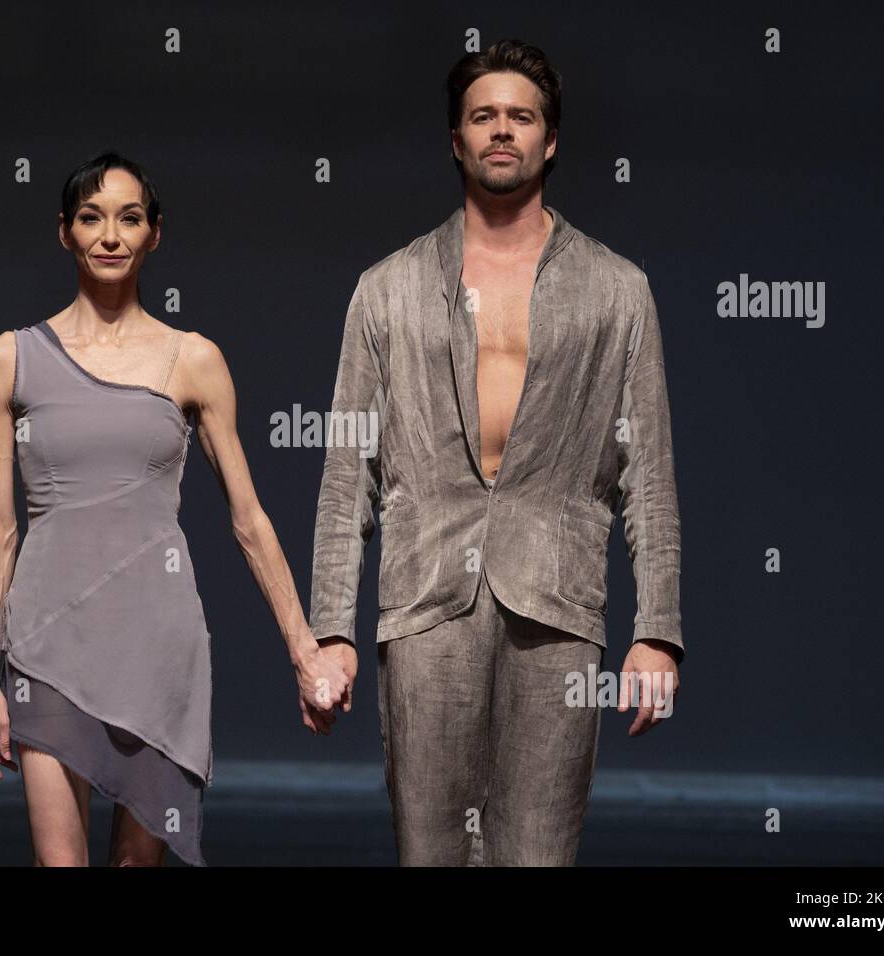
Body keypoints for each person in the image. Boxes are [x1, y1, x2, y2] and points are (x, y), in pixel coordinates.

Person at [307, 39, 684, 865]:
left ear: (551, 141)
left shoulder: (619, 289)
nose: (501, 131)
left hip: (558, 602)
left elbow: (647, 472)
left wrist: (657, 630)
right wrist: (329, 628)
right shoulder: (388, 287)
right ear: (456, 140)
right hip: (424, 602)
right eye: (483, 116)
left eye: (521, 117)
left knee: (539, 854)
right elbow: (347, 475)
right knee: (430, 855)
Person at [0, 151, 348, 866]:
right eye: (91, 218)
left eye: (129, 218)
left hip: (156, 643)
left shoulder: (192, 359)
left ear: (153, 235)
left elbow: (249, 518)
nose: (110, 235)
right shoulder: (8, 360)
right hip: (45, 641)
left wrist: (305, 651)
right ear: (65, 233)